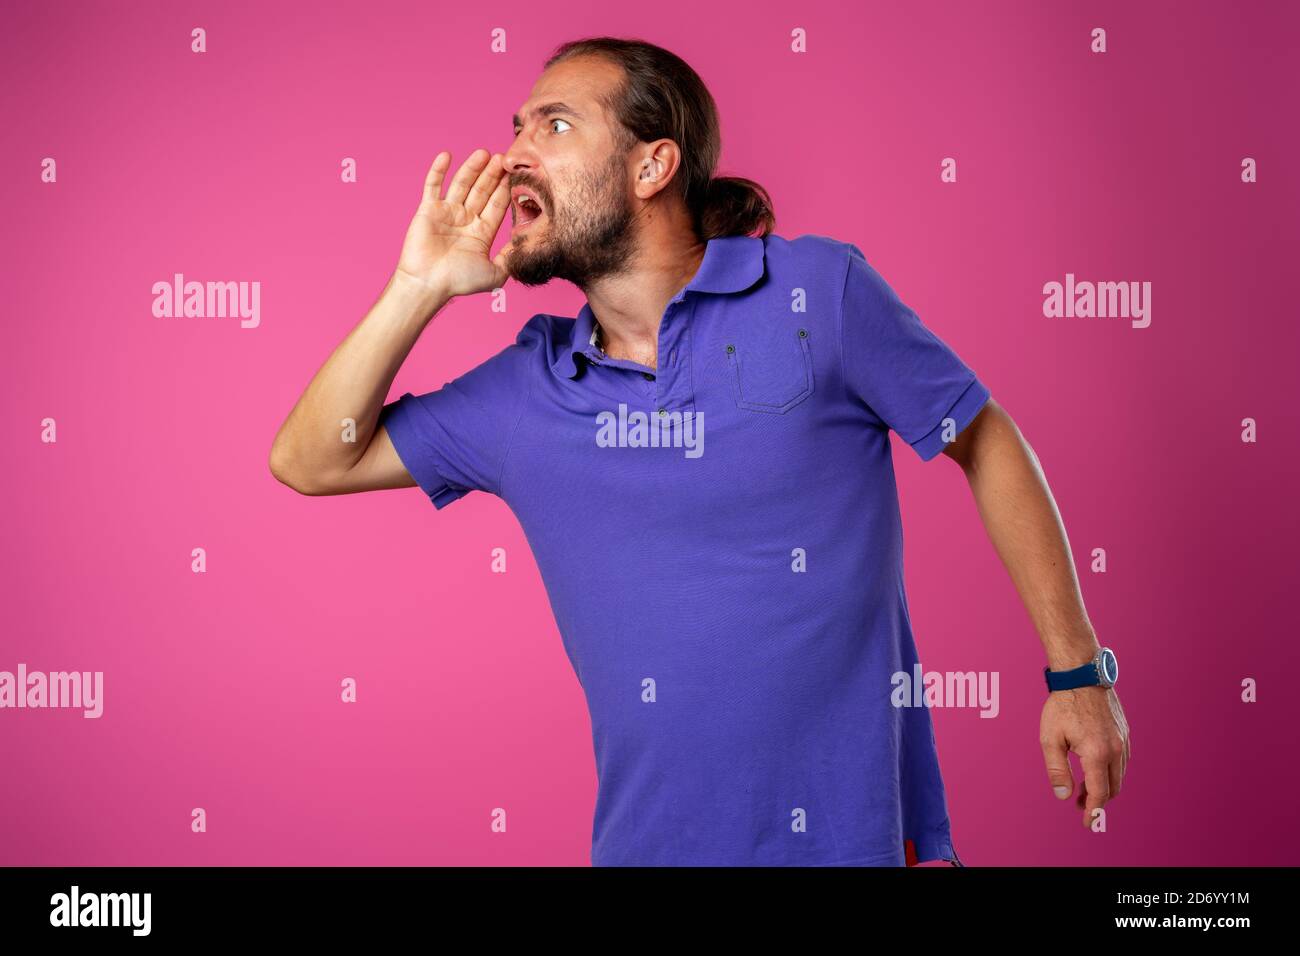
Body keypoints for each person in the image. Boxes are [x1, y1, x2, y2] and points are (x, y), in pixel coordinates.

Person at [269, 36, 1130, 866]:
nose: (513, 157)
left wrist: (1076, 672)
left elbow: (983, 438)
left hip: (855, 843)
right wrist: (417, 289)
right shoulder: (528, 389)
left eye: (555, 126)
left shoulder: (816, 292)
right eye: (517, 127)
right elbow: (313, 461)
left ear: (653, 166)